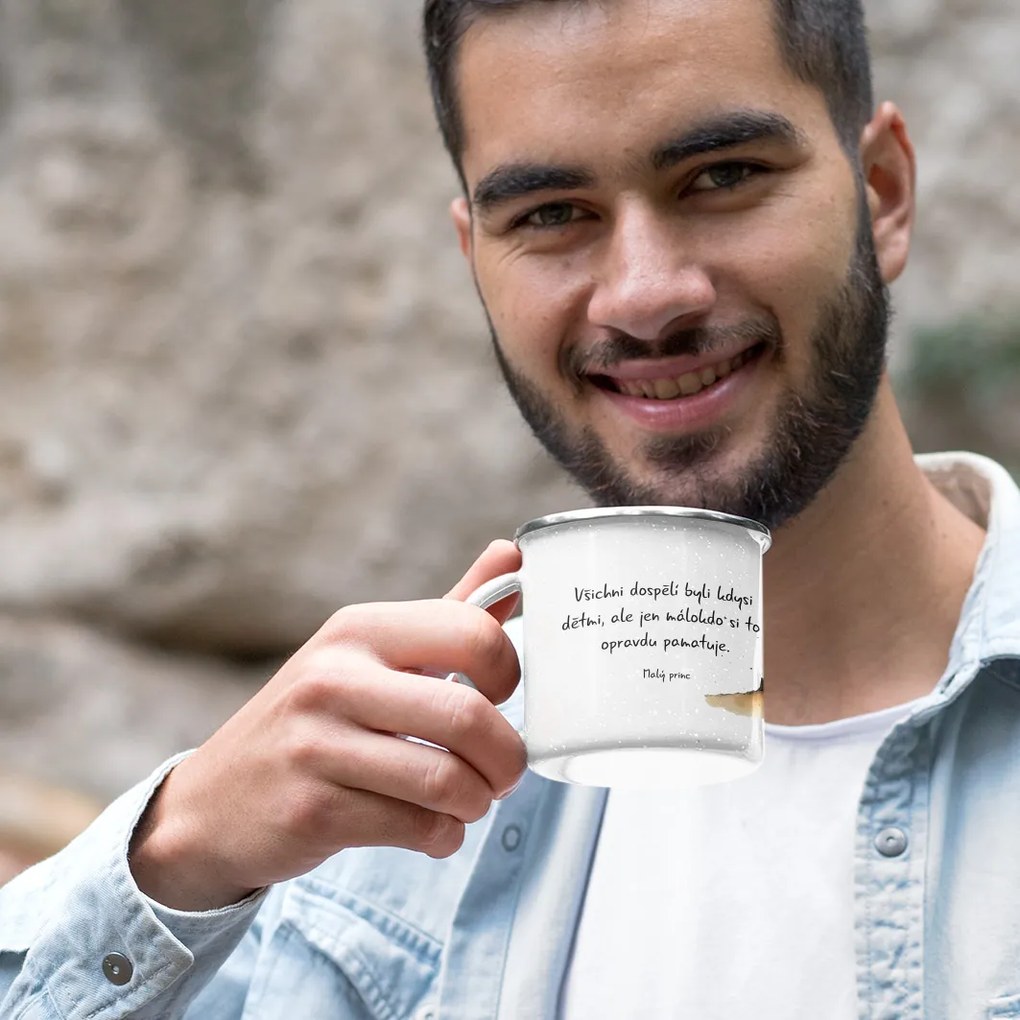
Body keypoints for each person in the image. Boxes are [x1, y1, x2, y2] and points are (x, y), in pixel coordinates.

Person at [2, 0, 1019, 1016]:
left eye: (722, 177)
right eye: (550, 216)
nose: (643, 294)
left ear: (881, 192)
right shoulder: (385, 818)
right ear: (476, 257)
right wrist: (180, 850)